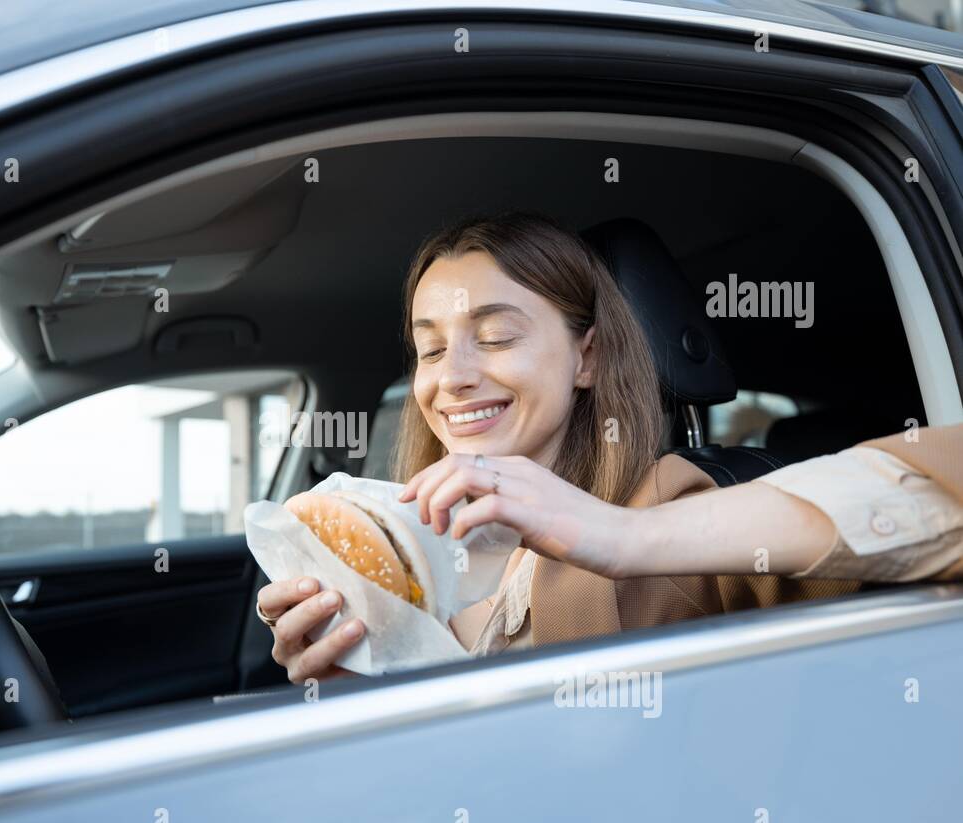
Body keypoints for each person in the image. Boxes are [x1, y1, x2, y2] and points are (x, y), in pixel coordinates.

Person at [258, 212, 963, 683]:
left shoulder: (673, 506)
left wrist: (622, 534)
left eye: (498, 336)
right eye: (430, 348)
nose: (455, 376)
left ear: (587, 357)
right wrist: (352, 676)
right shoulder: (394, 561)